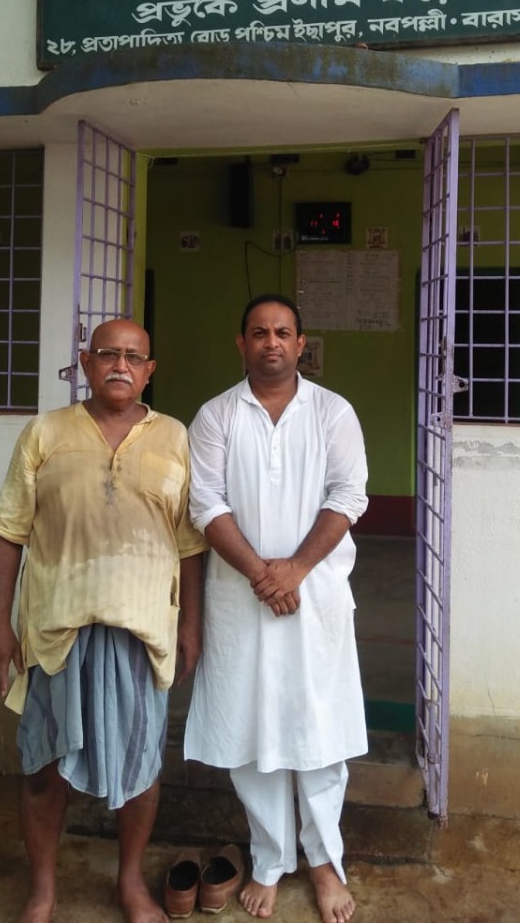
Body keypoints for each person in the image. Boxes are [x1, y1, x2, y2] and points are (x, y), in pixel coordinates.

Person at [0, 318, 205, 923]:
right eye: (108, 353)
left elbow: (189, 545)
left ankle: (129, 883)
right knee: (44, 767)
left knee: (140, 766)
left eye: (134, 357)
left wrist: (190, 627)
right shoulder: (45, 433)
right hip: (56, 628)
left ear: (150, 370)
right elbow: (8, 533)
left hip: (140, 633)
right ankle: (43, 891)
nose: (120, 365)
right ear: (85, 362)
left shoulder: (175, 438)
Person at [184, 294, 368, 923]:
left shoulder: (332, 412)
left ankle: (323, 863)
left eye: (282, 333)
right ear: (241, 344)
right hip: (241, 597)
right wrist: (264, 573)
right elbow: (205, 504)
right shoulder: (215, 416)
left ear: (301, 343)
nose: (271, 343)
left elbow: (350, 495)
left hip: (313, 596)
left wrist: (295, 569)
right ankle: (269, 857)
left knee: (316, 726)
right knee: (248, 726)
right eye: (259, 333)